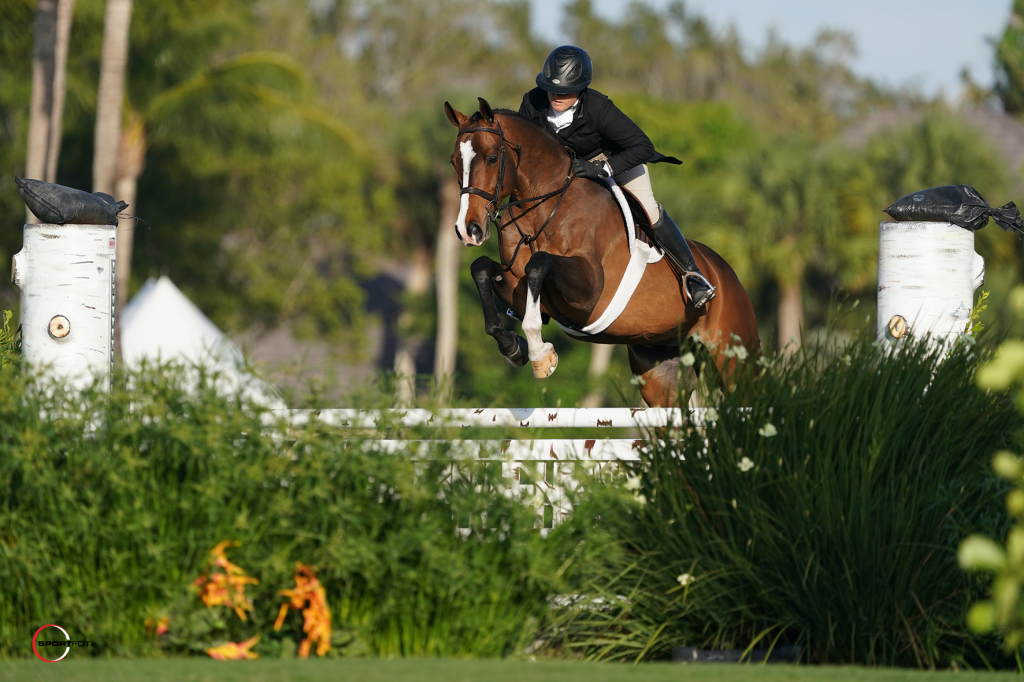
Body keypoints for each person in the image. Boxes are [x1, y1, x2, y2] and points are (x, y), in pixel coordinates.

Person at [518, 45, 716, 309]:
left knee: (649, 209)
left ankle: (693, 276)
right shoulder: (532, 103)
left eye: (565, 90)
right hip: (567, 174)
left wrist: (604, 169)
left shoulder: (599, 108)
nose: (556, 94)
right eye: (552, 88)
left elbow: (642, 147)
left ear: (581, 87)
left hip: (618, 163)